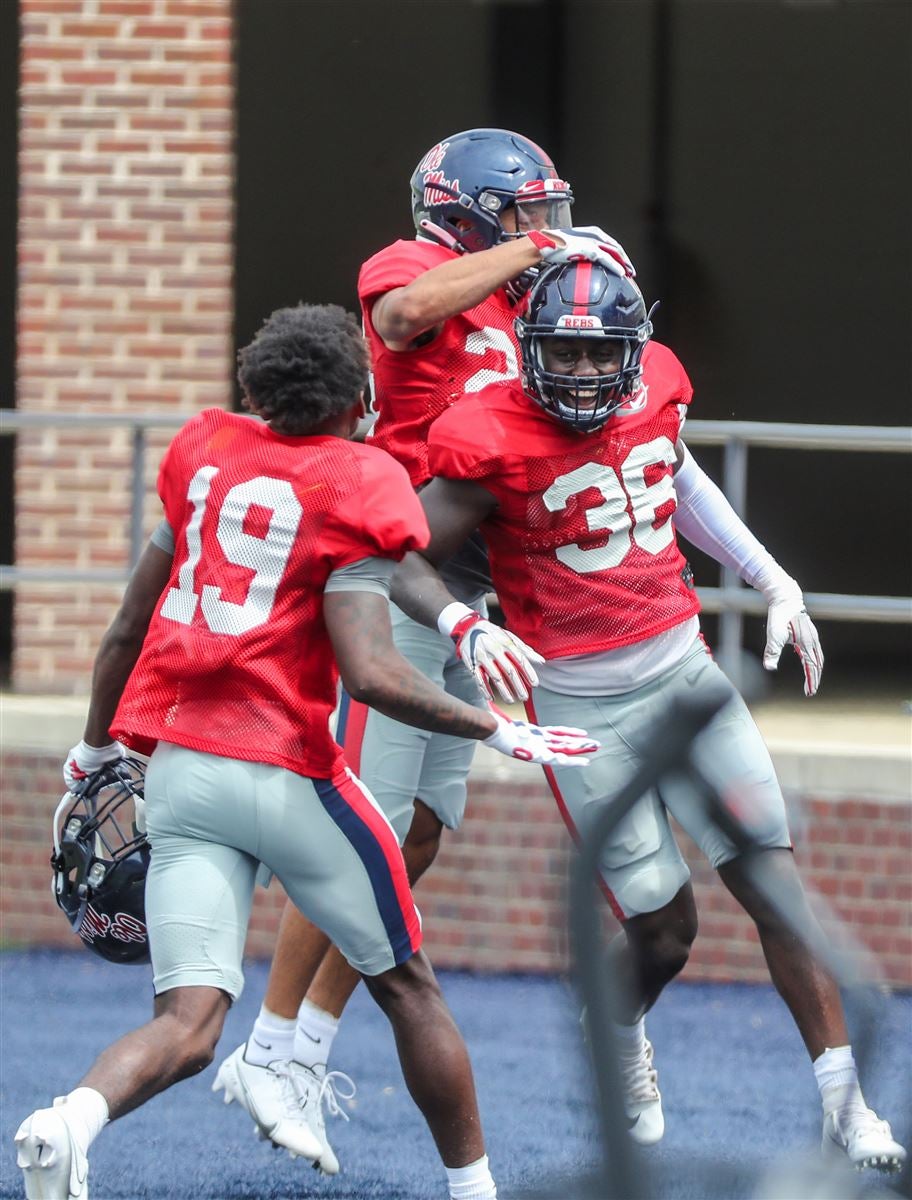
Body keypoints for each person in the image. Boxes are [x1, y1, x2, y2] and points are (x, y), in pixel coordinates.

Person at [13, 302, 598, 1200]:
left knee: (190, 1020)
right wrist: (493, 726)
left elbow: (126, 628)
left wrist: (93, 756)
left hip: (178, 773)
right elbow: (368, 674)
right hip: (286, 771)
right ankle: (476, 1191)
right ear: (356, 396)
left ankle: (68, 1121)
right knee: (407, 984)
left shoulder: (203, 447)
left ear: (259, 383)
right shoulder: (361, 477)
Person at [384, 259, 907, 1172]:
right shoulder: (488, 432)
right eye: (565, 352)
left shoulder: (657, 387)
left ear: (633, 354)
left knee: (772, 885)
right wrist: (464, 624)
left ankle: (846, 1107)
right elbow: (402, 554)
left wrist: (772, 578)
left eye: (600, 355)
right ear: (529, 350)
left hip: (685, 676)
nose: (584, 373)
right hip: (582, 707)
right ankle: (617, 1024)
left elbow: (682, 480)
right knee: (665, 930)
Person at [208, 128, 637, 1172]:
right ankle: (267, 1046)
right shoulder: (410, 269)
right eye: (527, 212)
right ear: (474, 213)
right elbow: (401, 318)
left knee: (424, 833)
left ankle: (303, 1048)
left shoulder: (513, 290)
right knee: (369, 817)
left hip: (482, 580)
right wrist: (535, 255)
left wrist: (587, 278)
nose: (544, 228)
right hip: (399, 567)